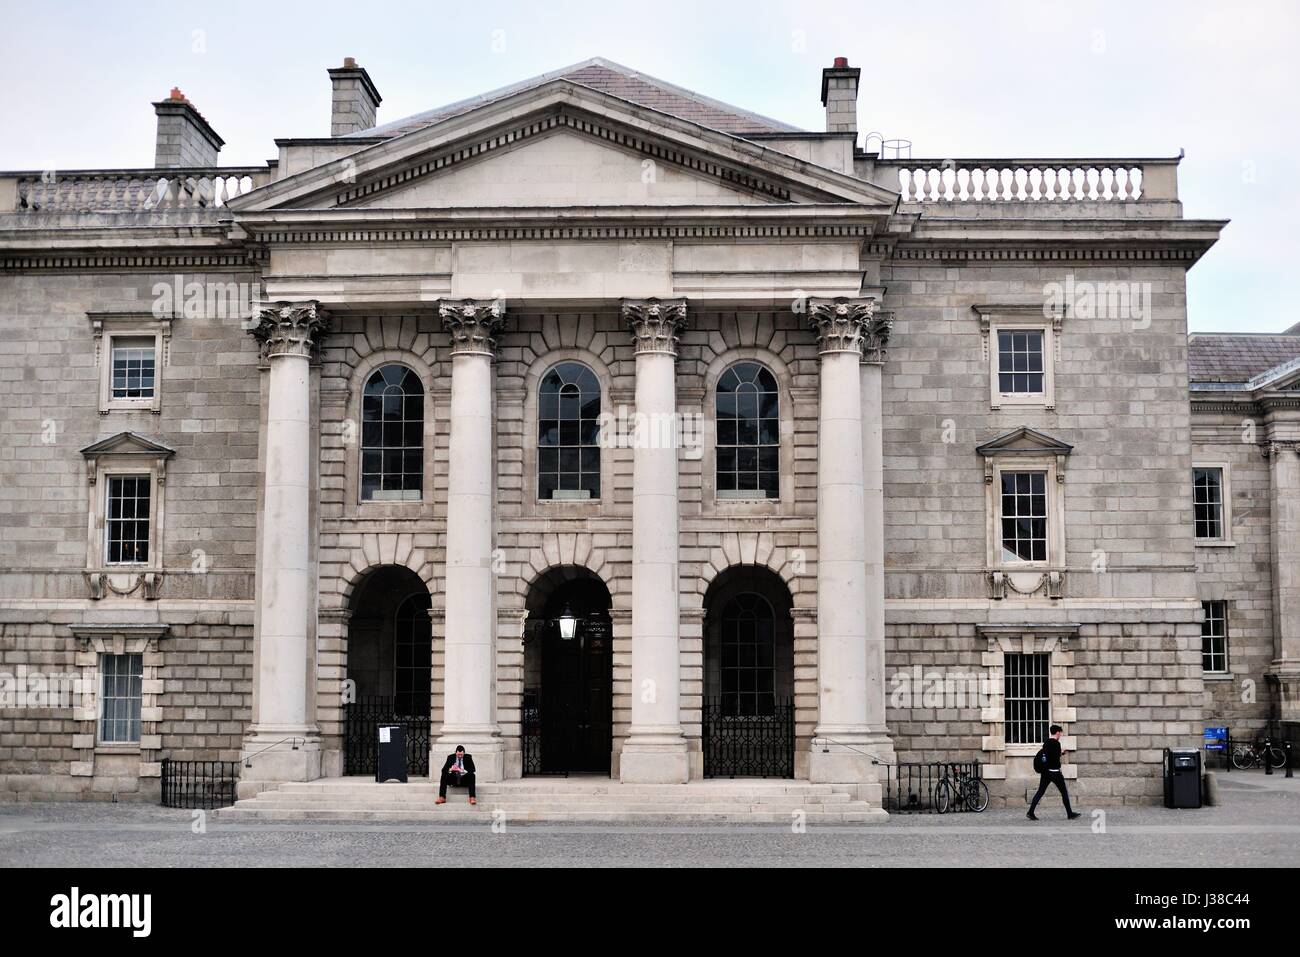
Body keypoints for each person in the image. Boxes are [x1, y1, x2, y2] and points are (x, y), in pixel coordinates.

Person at [1027, 724, 1082, 821]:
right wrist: (1062, 752)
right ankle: (1070, 813)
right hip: (1055, 773)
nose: (1061, 735)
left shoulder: (1047, 742)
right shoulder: (1056, 743)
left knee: (1040, 792)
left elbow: (1050, 755)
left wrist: (1059, 753)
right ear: (1057, 732)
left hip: (1046, 773)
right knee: (1064, 792)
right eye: (1060, 733)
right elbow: (1055, 758)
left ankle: (1030, 812)